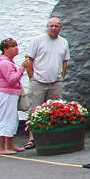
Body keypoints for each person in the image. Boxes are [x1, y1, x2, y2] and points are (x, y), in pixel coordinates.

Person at [22, 17, 69, 149]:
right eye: (51, 26)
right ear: (47, 26)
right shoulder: (37, 40)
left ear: (61, 27)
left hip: (56, 82)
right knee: (34, 110)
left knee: (54, 110)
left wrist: (62, 76)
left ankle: (51, 138)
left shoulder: (64, 42)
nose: (54, 28)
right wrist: (32, 76)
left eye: (56, 26)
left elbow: (65, 60)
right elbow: (28, 59)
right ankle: (32, 138)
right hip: (38, 82)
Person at [0, 38, 25, 154]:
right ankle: (0, 148)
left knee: (11, 119)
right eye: (12, 46)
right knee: (5, 119)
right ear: (5, 49)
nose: (16, 48)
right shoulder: (4, 63)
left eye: (16, 45)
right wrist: (22, 69)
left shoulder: (7, 62)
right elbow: (11, 80)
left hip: (9, 94)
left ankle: (10, 145)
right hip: (6, 94)